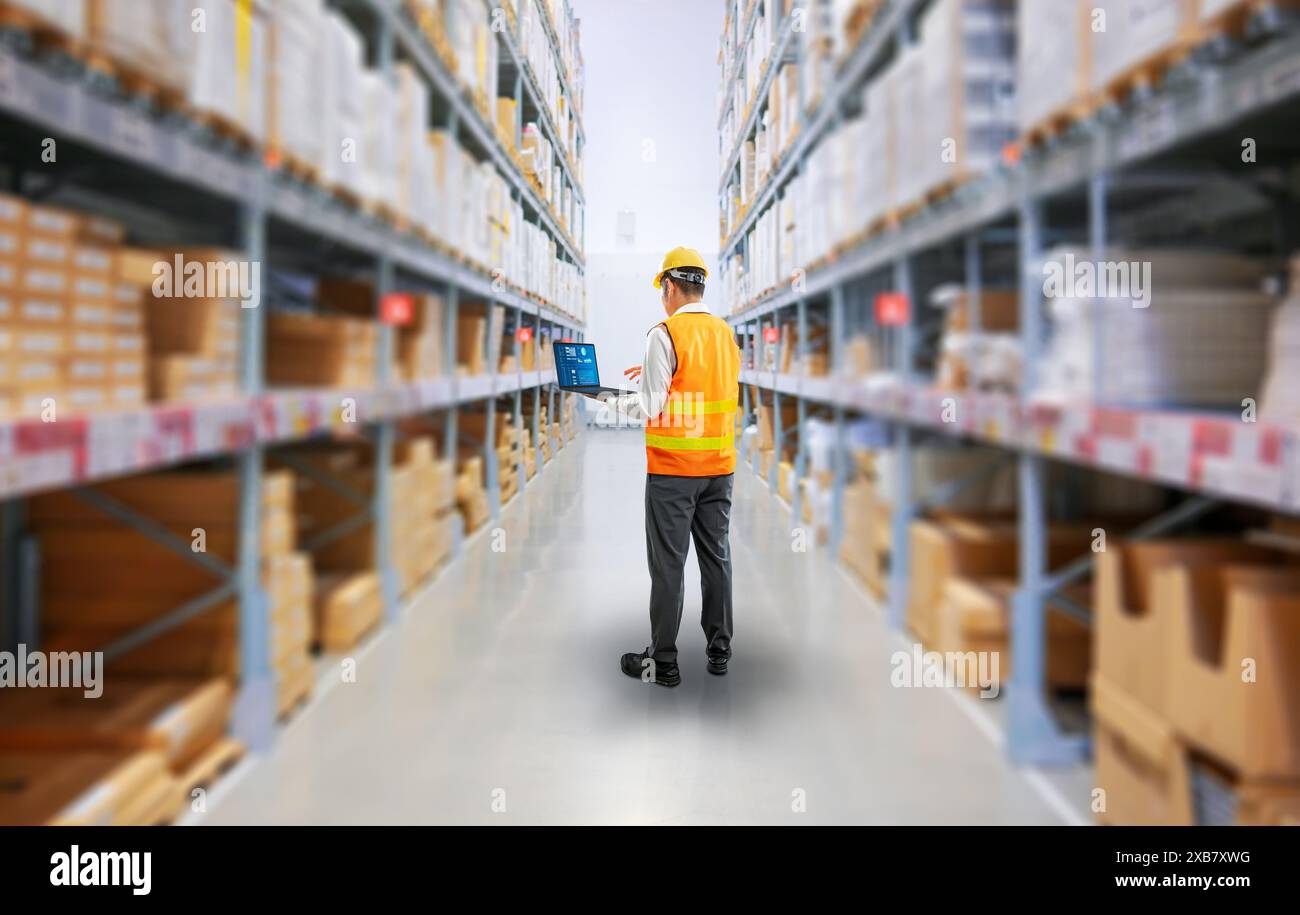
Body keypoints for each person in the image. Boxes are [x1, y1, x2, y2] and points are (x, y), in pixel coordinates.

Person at [599, 247, 742, 687]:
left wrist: (603, 396)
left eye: (663, 289)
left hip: (674, 473)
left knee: (668, 566)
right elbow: (702, 390)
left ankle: (663, 662)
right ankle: (719, 651)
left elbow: (651, 407)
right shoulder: (725, 333)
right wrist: (654, 379)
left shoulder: (663, 333)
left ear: (670, 287)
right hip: (719, 467)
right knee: (716, 557)